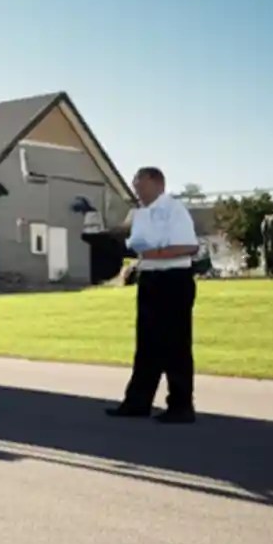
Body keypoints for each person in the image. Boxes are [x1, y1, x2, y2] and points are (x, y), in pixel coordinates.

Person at [106, 166, 201, 424]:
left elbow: (189, 246)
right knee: (146, 344)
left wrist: (154, 254)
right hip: (149, 279)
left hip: (173, 280)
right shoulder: (139, 213)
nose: (138, 192)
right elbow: (132, 242)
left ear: (157, 184)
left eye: (142, 186)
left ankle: (181, 406)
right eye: (136, 187)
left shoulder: (173, 210)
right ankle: (138, 401)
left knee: (175, 345)